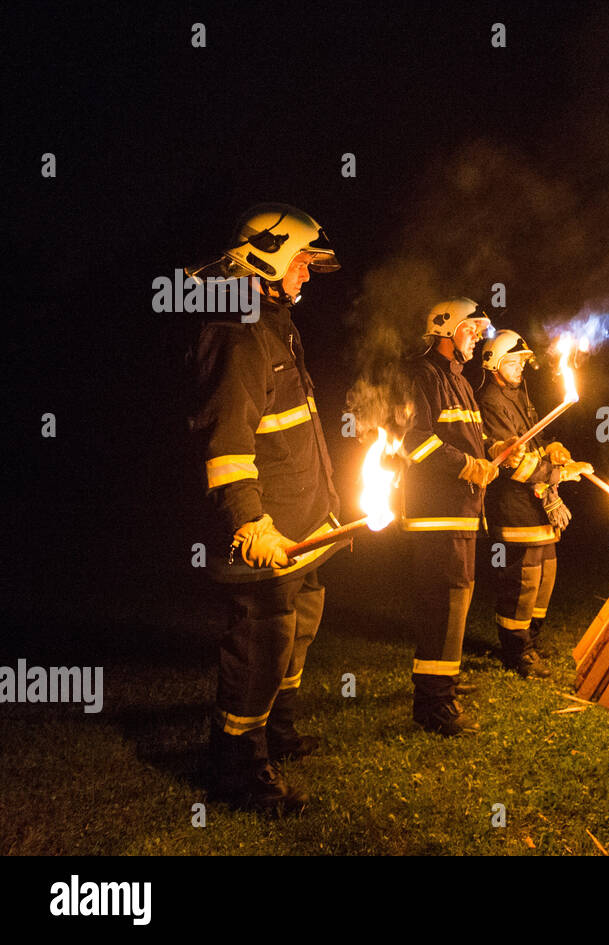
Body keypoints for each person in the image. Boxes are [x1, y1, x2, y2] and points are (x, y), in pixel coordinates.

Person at [187, 203, 342, 812]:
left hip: (303, 524)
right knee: (260, 641)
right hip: (265, 527)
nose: (306, 276)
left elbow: (295, 425)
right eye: (302, 262)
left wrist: (325, 504)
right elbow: (226, 441)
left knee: (296, 629)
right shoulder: (235, 330)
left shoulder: (274, 322)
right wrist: (248, 520)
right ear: (269, 257)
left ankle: (277, 731)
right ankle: (237, 766)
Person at [398, 298, 497, 735]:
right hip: (436, 512)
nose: (477, 338)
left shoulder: (459, 380)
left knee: (457, 600)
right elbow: (413, 439)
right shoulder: (421, 375)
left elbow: (471, 439)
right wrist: (463, 463)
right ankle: (433, 702)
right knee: (444, 602)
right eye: (472, 330)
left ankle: (444, 680)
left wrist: (491, 455)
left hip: (462, 511)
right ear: (447, 331)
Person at [477, 330, 592, 678]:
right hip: (514, 505)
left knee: (546, 575)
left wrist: (554, 447)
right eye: (512, 362)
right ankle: (516, 651)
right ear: (494, 364)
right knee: (523, 580)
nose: (519, 368)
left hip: (538, 503)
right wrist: (560, 474)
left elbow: (534, 440)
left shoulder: (518, 394)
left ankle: (531, 639)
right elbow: (513, 462)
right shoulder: (491, 401)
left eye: (522, 362)